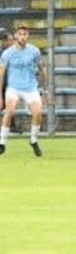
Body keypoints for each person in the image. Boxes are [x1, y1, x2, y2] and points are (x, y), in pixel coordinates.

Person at [0, 26, 45, 157]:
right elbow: (1, 74)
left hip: (30, 87)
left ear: (28, 36)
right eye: (20, 34)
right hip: (13, 88)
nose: (23, 37)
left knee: (37, 113)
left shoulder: (34, 51)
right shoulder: (7, 53)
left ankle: (33, 140)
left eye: (25, 34)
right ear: (15, 36)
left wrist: (45, 89)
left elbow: (41, 70)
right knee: (10, 110)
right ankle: (2, 143)